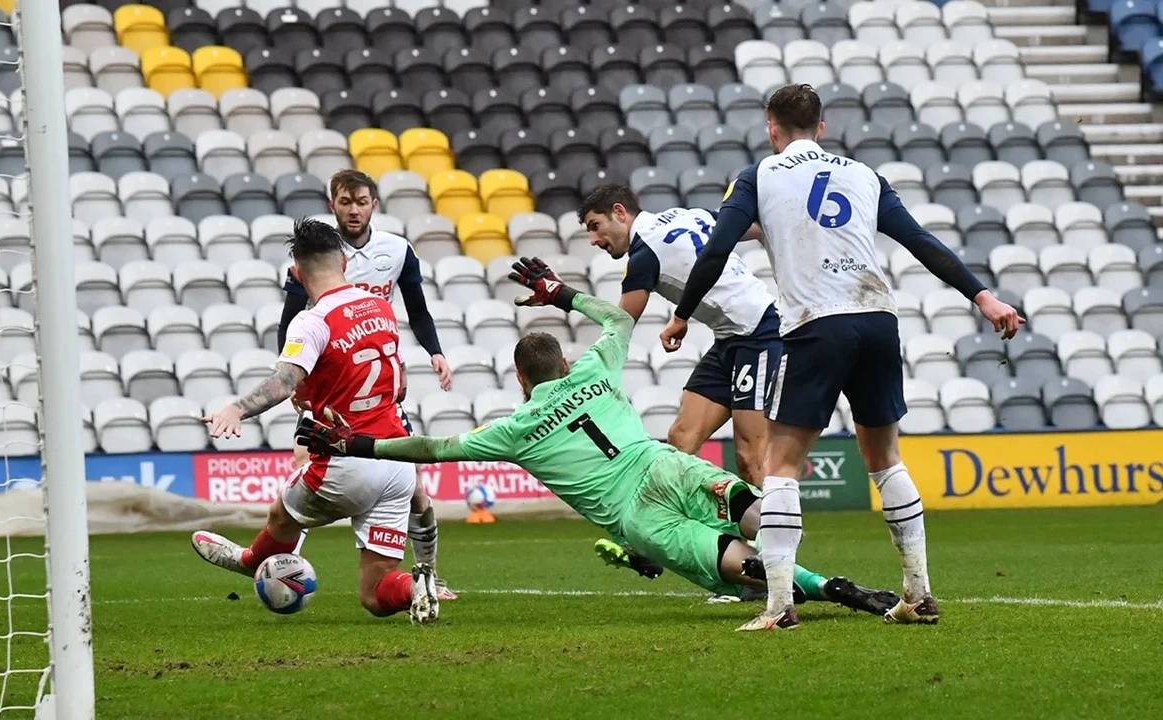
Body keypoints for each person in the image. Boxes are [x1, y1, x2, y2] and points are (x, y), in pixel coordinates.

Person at [299, 257, 900, 619]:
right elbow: (618, 319)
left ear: (520, 378)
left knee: (732, 565)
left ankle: (833, 589)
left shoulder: (514, 430)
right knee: (754, 512)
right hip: (664, 466)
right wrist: (561, 294)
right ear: (563, 363)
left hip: (635, 517)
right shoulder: (593, 368)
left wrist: (348, 444)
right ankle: (803, 553)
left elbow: (431, 448)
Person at [660, 84, 1024, 630]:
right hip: (878, 319)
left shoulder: (760, 175)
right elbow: (921, 241)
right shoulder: (863, 175)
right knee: (886, 460)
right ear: (822, 128)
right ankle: (919, 594)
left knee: (781, 466)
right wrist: (984, 296)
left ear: (772, 128)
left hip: (815, 324)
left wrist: (683, 312)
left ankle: (780, 607)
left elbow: (716, 248)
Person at [194, 219, 440, 624]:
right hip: (396, 462)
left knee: (281, 516)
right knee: (376, 594)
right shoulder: (379, 307)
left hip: (346, 462)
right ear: (344, 260)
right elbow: (399, 387)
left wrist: (236, 409)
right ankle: (417, 587)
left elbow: (284, 381)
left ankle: (247, 560)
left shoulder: (312, 321)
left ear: (296, 273)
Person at [277, 169, 456, 601]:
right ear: (332, 204)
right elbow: (290, 318)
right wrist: (293, 375)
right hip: (327, 386)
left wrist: (435, 350)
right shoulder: (315, 253)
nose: (353, 210)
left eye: (361, 202)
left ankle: (428, 575)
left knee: (415, 491)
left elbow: (418, 308)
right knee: (303, 474)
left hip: (377, 388)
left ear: (374, 204)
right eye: (344, 202)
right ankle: (282, 570)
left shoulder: (396, 250)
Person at [579, 184, 779, 489]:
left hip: (760, 334)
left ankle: (781, 533)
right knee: (680, 440)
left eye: (596, 227)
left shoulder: (645, 252)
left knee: (750, 456)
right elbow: (743, 227)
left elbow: (619, 324)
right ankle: (672, 529)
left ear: (619, 213)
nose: (593, 240)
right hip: (729, 338)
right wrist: (771, 238)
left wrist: (564, 297)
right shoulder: (687, 215)